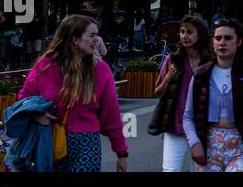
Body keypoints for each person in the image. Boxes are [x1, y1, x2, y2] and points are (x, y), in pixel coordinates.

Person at [17, 14, 128, 172]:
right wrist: (36, 113)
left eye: (96, 35)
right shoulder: (46, 65)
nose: (96, 40)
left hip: (86, 144)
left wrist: (122, 152)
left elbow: (112, 114)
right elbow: (25, 98)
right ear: (75, 40)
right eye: (92, 35)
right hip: (49, 140)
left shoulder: (101, 70)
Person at [183, 18, 243, 172]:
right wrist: (194, 142)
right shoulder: (200, 74)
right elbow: (188, 116)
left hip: (242, 147)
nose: (222, 42)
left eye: (228, 38)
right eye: (218, 38)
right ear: (213, 42)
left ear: (239, 41)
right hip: (209, 147)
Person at [153, 13, 211, 172]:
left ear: (200, 34)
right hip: (175, 126)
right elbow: (157, 92)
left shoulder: (210, 61)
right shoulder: (172, 60)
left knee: (201, 170)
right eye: (182, 31)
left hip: (202, 127)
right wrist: (168, 77)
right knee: (170, 170)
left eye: (190, 32)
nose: (185, 36)